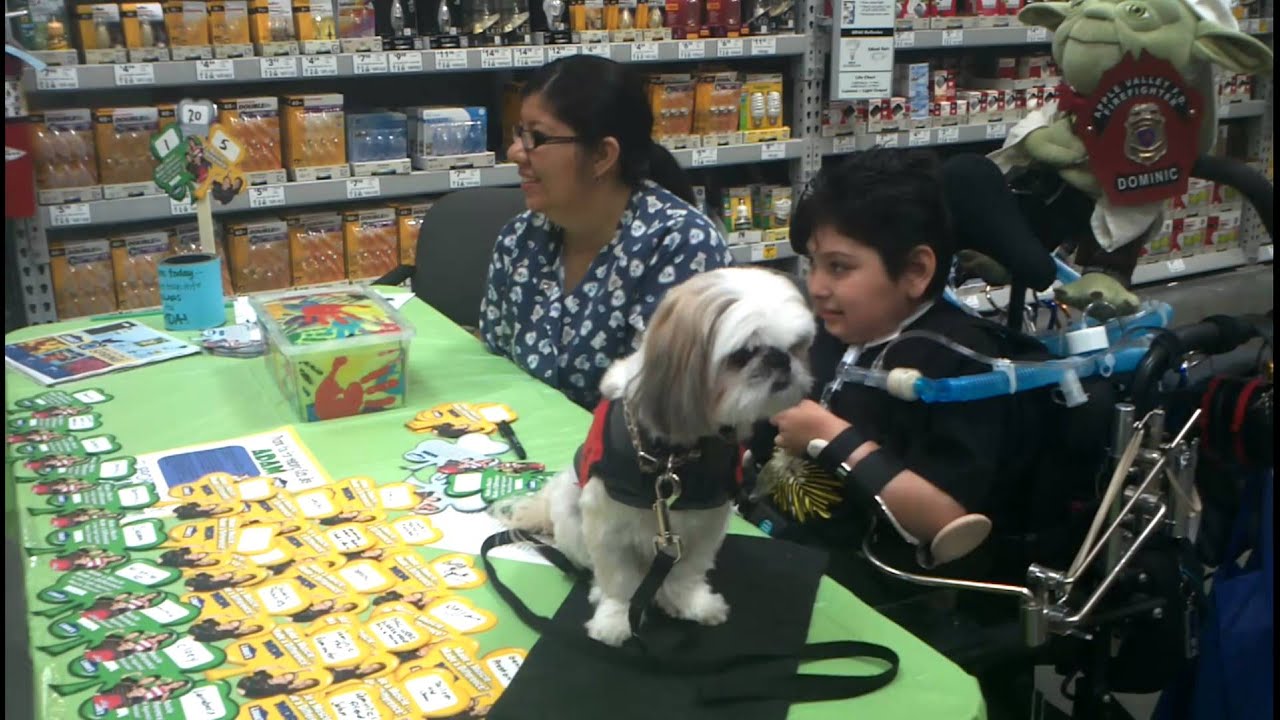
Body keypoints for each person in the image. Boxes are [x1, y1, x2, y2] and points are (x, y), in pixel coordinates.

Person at [746, 149, 1050, 600]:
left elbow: (946, 522)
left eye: (840, 267)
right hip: (788, 552)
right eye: (813, 264)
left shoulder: (963, 366)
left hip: (886, 594)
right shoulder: (831, 334)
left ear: (915, 271)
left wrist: (831, 438)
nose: (817, 286)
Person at [479, 55, 732, 408]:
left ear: (602, 155)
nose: (515, 152)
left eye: (536, 137)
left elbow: (663, 409)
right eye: (519, 133)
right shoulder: (519, 239)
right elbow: (497, 364)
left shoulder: (682, 246)